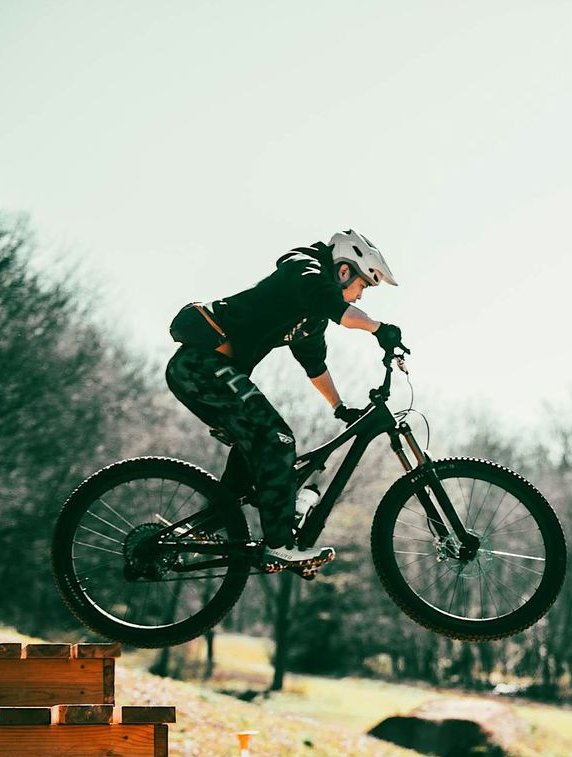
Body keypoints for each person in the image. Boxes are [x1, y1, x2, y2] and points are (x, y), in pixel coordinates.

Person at [165, 229, 402, 575]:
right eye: (363, 285)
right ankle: (278, 546)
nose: (361, 296)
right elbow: (340, 310)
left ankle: (202, 529)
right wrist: (379, 329)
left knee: (254, 457)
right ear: (344, 270)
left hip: (210, 371)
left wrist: (339, 407)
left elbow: (315, 366)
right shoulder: (303, 271)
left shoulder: (311, 318)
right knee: (276, 440)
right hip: (200, 364)